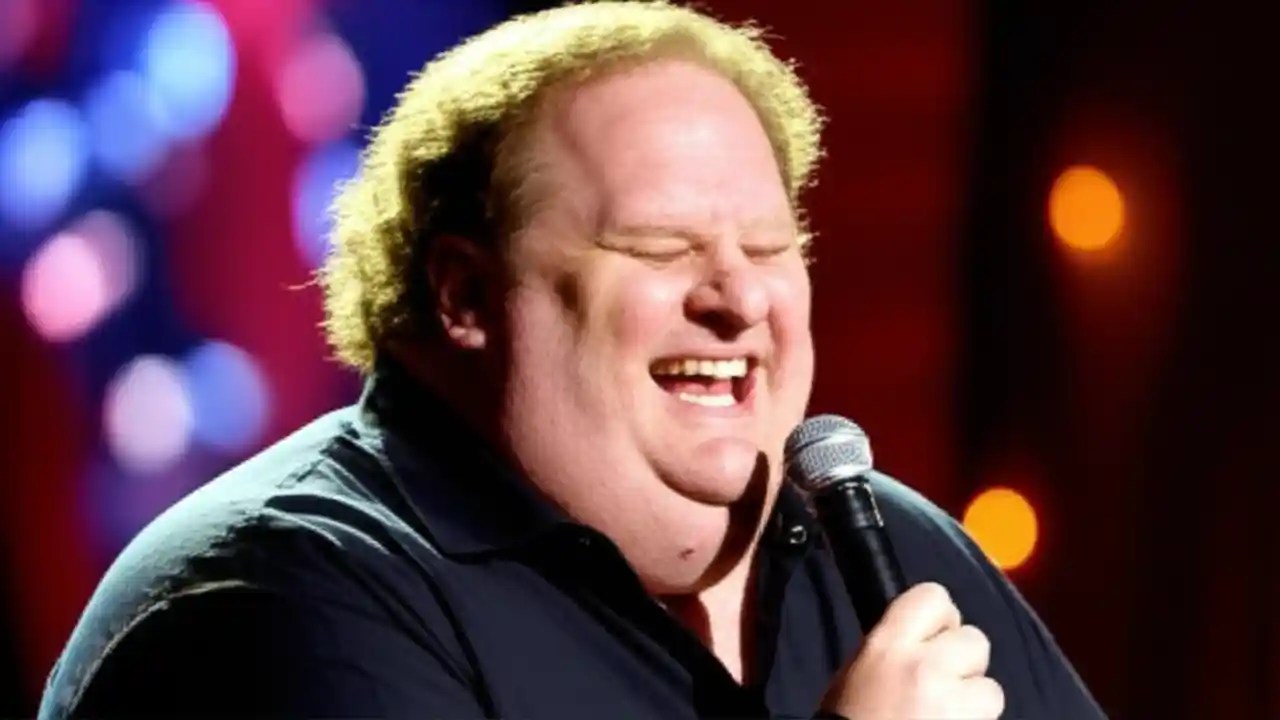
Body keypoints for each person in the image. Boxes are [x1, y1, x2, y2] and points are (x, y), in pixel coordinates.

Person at [39, 2, 1104, 718]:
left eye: (770, 247)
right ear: (465, 296)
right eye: (660, 249)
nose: (738, 299)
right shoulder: (277, 602)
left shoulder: (886, 548)